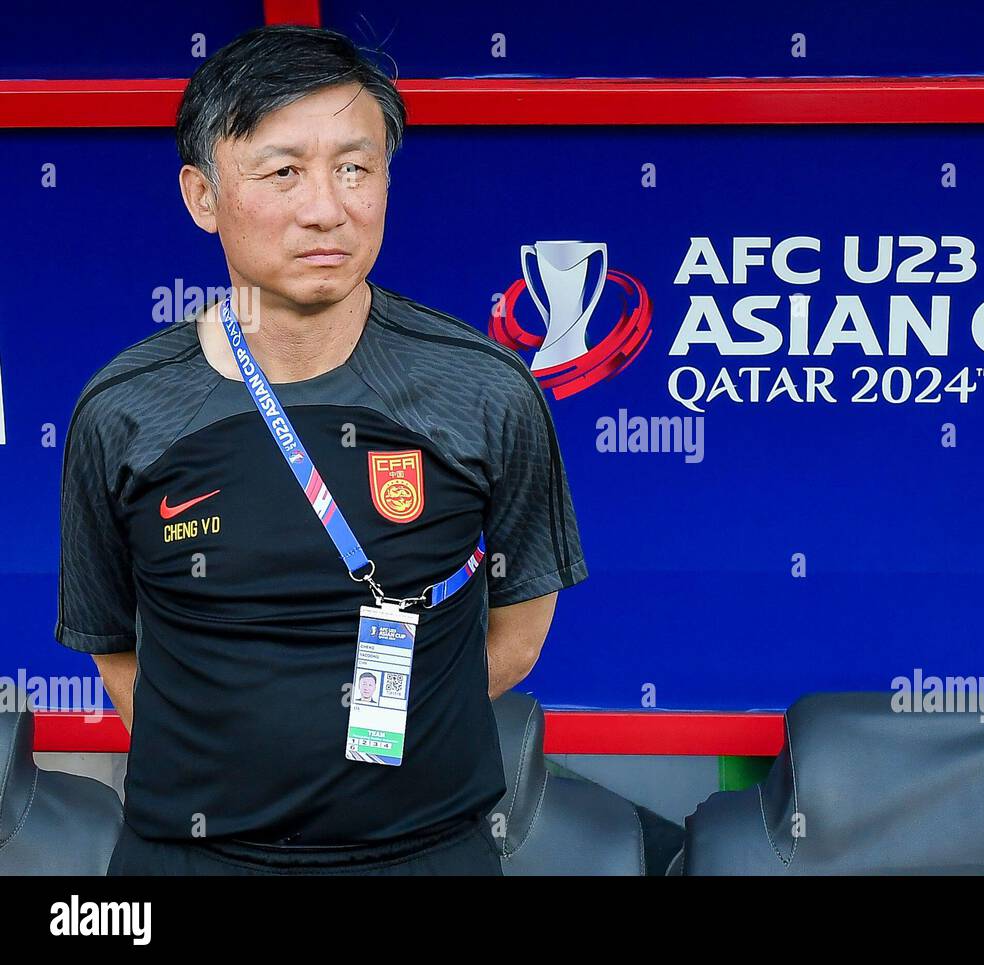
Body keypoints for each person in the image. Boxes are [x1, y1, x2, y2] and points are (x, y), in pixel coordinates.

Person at [54, 24, 587, 875]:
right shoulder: (124, 410)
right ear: (202, 194)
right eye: (283, 171)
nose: (326, 207)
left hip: (426, 854)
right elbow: (116, 650)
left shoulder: (484, 389)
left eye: (355, 167)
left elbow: (517, 633)